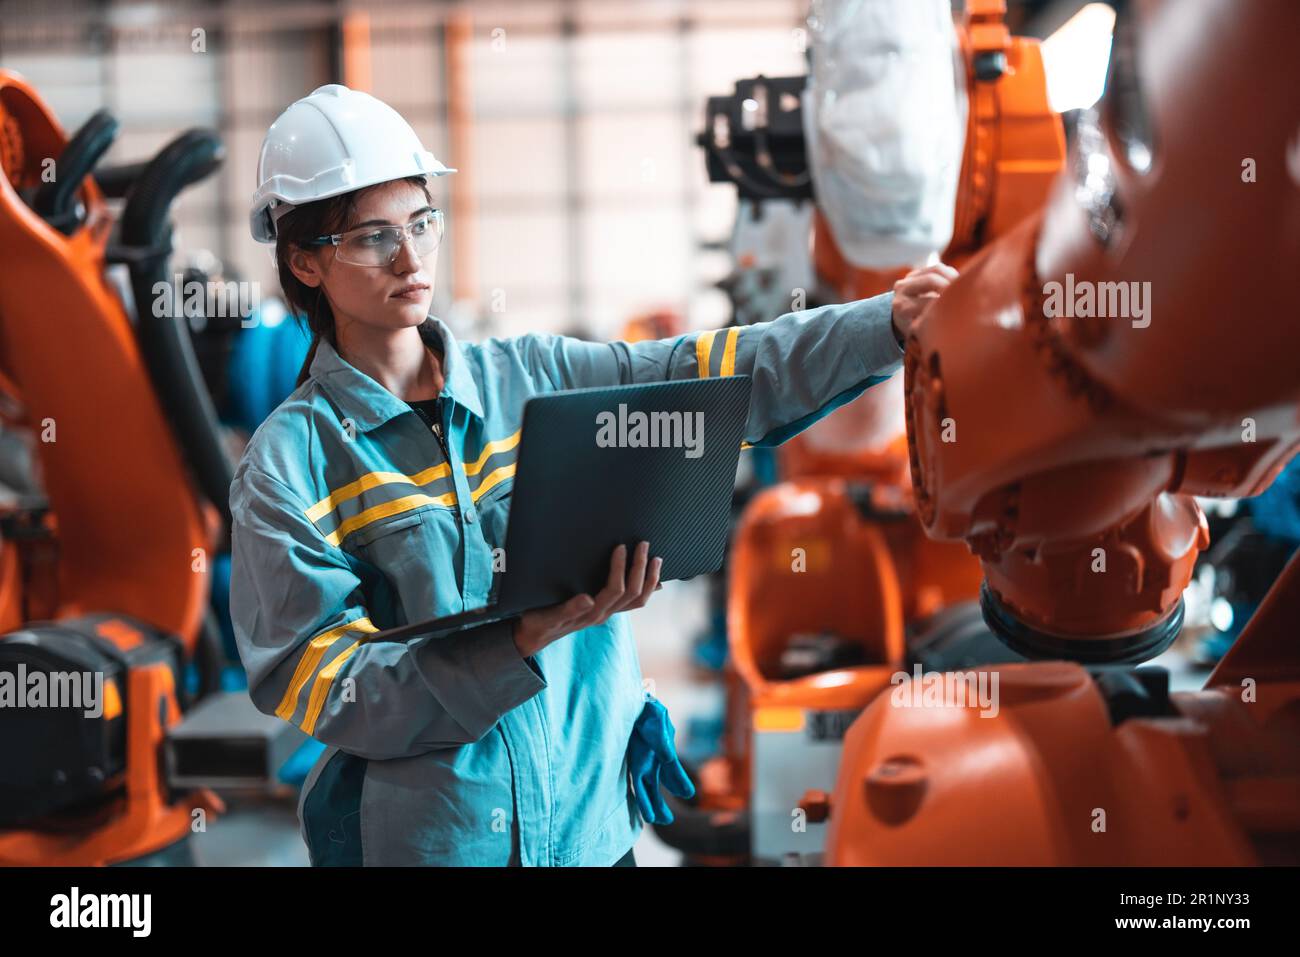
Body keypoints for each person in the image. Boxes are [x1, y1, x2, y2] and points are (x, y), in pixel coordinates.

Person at [230, 84, 957, 866]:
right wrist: (516, 642)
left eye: (421, 222)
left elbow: (707, 375)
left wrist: (878, 323)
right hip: (437, 845)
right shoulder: (286, 466)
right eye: (373, 237)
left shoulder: (537, 378)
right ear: (305, 260)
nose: (412, 259)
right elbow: (327, 680)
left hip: (592, 833)